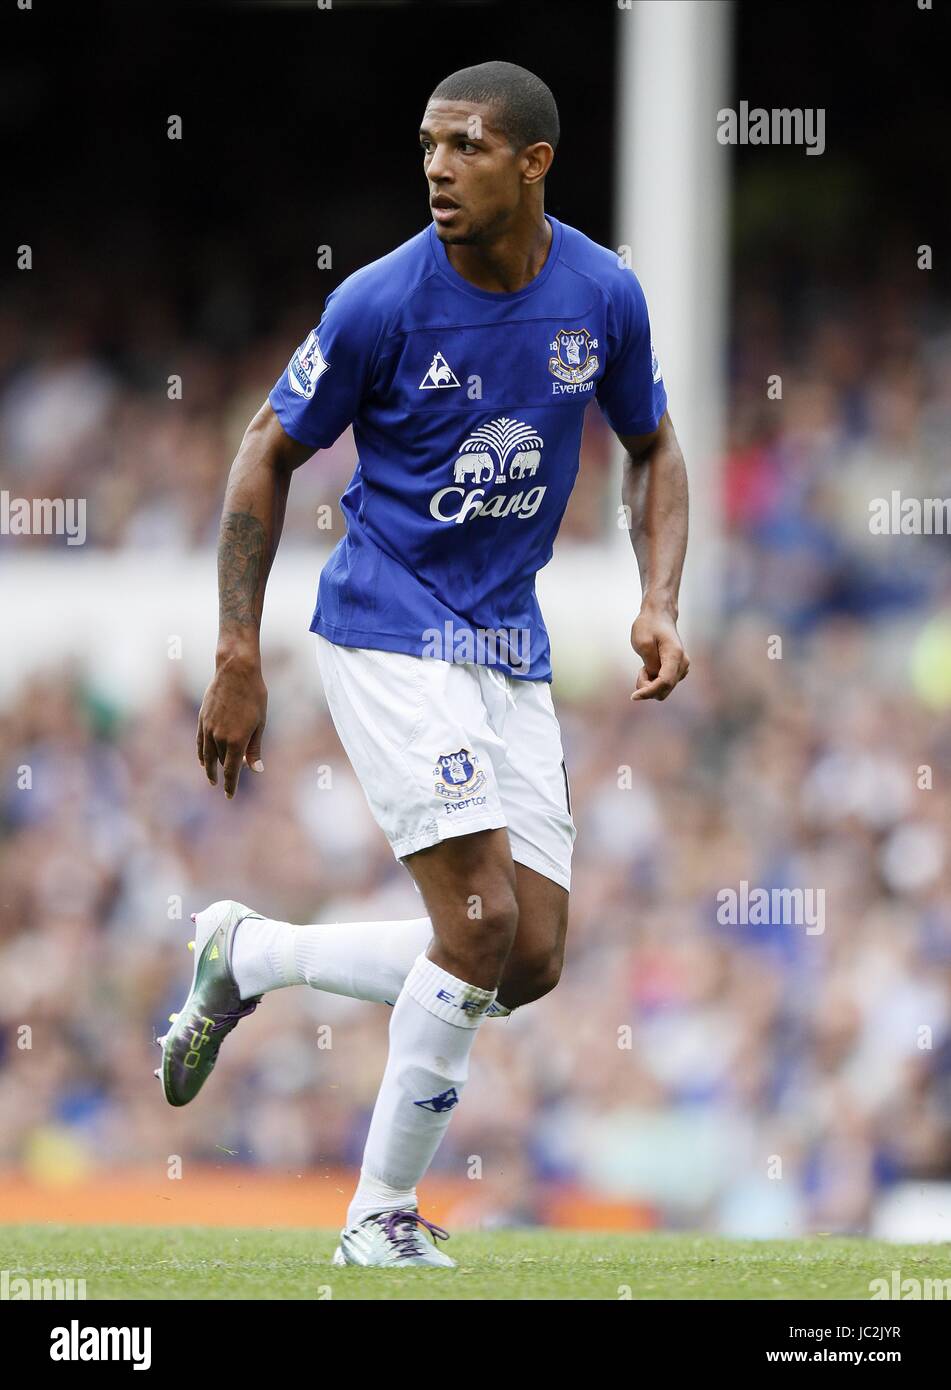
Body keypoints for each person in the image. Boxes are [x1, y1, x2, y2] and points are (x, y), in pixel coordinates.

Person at [157, 60, 689, 1268]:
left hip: (508, 642)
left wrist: (659, 601)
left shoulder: (604, 294)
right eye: (428, 144)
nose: (440, 166)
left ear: (535, 162)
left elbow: (655, 447)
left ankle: (251, 953)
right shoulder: (380, 303)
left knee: (531, 954)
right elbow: (263, 450)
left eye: (468, 145)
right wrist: (240, 650)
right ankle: (376, 1217)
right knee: (482, 917)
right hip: (389, 630)